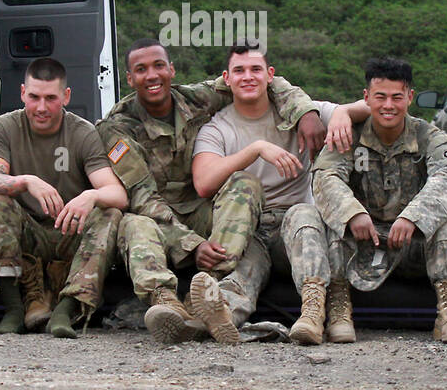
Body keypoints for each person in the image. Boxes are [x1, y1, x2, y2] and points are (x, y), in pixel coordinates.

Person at [99, 38, 326, 344]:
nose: (151, 76)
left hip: (203, 212)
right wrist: (191, 244)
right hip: (157, 221)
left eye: (158, 66)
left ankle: (205, 296)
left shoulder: (196, 99)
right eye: (141, 70)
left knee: (244, 183)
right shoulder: (118, 126)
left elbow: (261, 79)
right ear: (129, 78)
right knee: (135, 224)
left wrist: (305, 111)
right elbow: (141, 197)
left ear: (171, 70)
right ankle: (167, 302)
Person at [189, 40, 367, 344]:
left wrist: (341, 114)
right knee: (246, 270)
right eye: (239, 70)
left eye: (256, 69)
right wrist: (257, 150)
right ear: (226, 78)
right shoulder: (217, 128)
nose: (248, 76)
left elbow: (370, 106)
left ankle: (313, 312)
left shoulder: (298, 112)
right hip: (252, 229)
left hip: (294, 226)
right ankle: (218, 316)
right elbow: (204, 182)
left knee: (304, 215)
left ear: (270, 75)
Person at [303, 57, 447, 344]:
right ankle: (339, 308)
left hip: (412, 243)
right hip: (361, 241)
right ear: (366, 98)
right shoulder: (348, 136)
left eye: (397, 97)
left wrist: (413, 217)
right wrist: (352, 214)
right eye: (380, 97)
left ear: (410, 97)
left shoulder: (429, 137)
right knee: (332, 221)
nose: (388, 106)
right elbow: (326, 178)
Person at [0, 57, 126, 339]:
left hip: (68, 228)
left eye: (51, 98)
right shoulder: (2, 128)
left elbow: (118, 193)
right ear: (23, 93)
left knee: (110, 213)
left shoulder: (82, 132)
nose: (41, 107)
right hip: (27, 233)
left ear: (66, 96)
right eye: (34, 97)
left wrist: (91, 195)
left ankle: (66, 309)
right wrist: (25, 182)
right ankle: (14, 309)